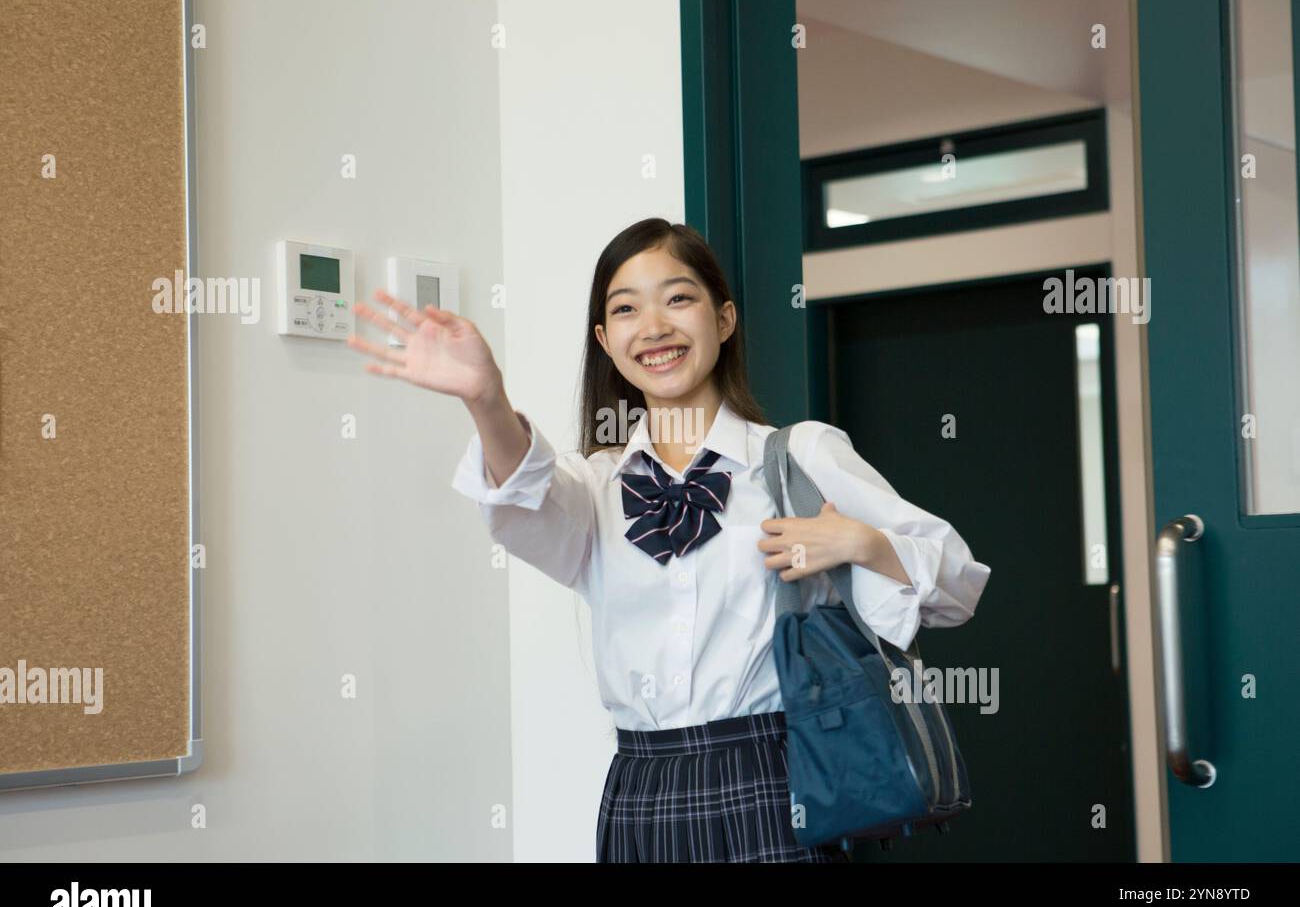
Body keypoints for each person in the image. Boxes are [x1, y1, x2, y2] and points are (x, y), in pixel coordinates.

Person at [348, 217, 991, 862]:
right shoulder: (595, 487)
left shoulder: (800, 454)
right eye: (625, 309)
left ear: (725, 318)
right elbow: (524, 487)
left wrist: (859, 543)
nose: (653, 326)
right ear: (605, 339)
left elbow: (957, 587)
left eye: (678, 298)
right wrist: (486, 397)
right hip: (643, 795)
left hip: (773, 785)